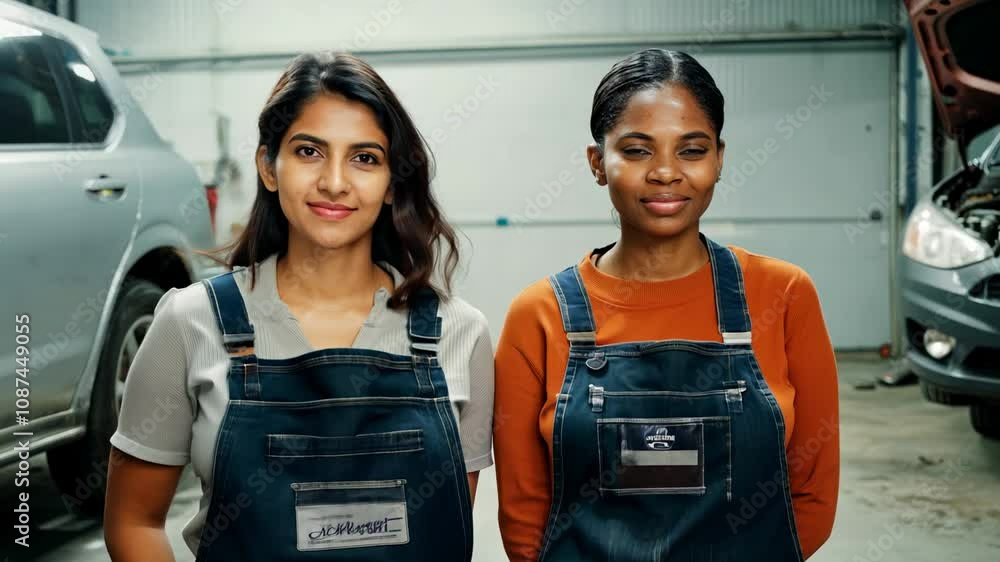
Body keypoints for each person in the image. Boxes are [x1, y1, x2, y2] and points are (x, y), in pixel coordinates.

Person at [104, 52, 494, 562]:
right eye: (309, 151)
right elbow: (134, 522)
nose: (334, 181)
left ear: (392, 184)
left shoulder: (458, 333)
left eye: (365, 158)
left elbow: (443, 524)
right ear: (269, 166)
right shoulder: (190, 323)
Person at [493, 48, 839, 561]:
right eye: (636, 151)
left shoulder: (783, 295)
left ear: (719, 159)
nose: (665, 173)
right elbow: (525, 516)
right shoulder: (540, 314)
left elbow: (810, 495)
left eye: (691, 151)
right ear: (597, 163)